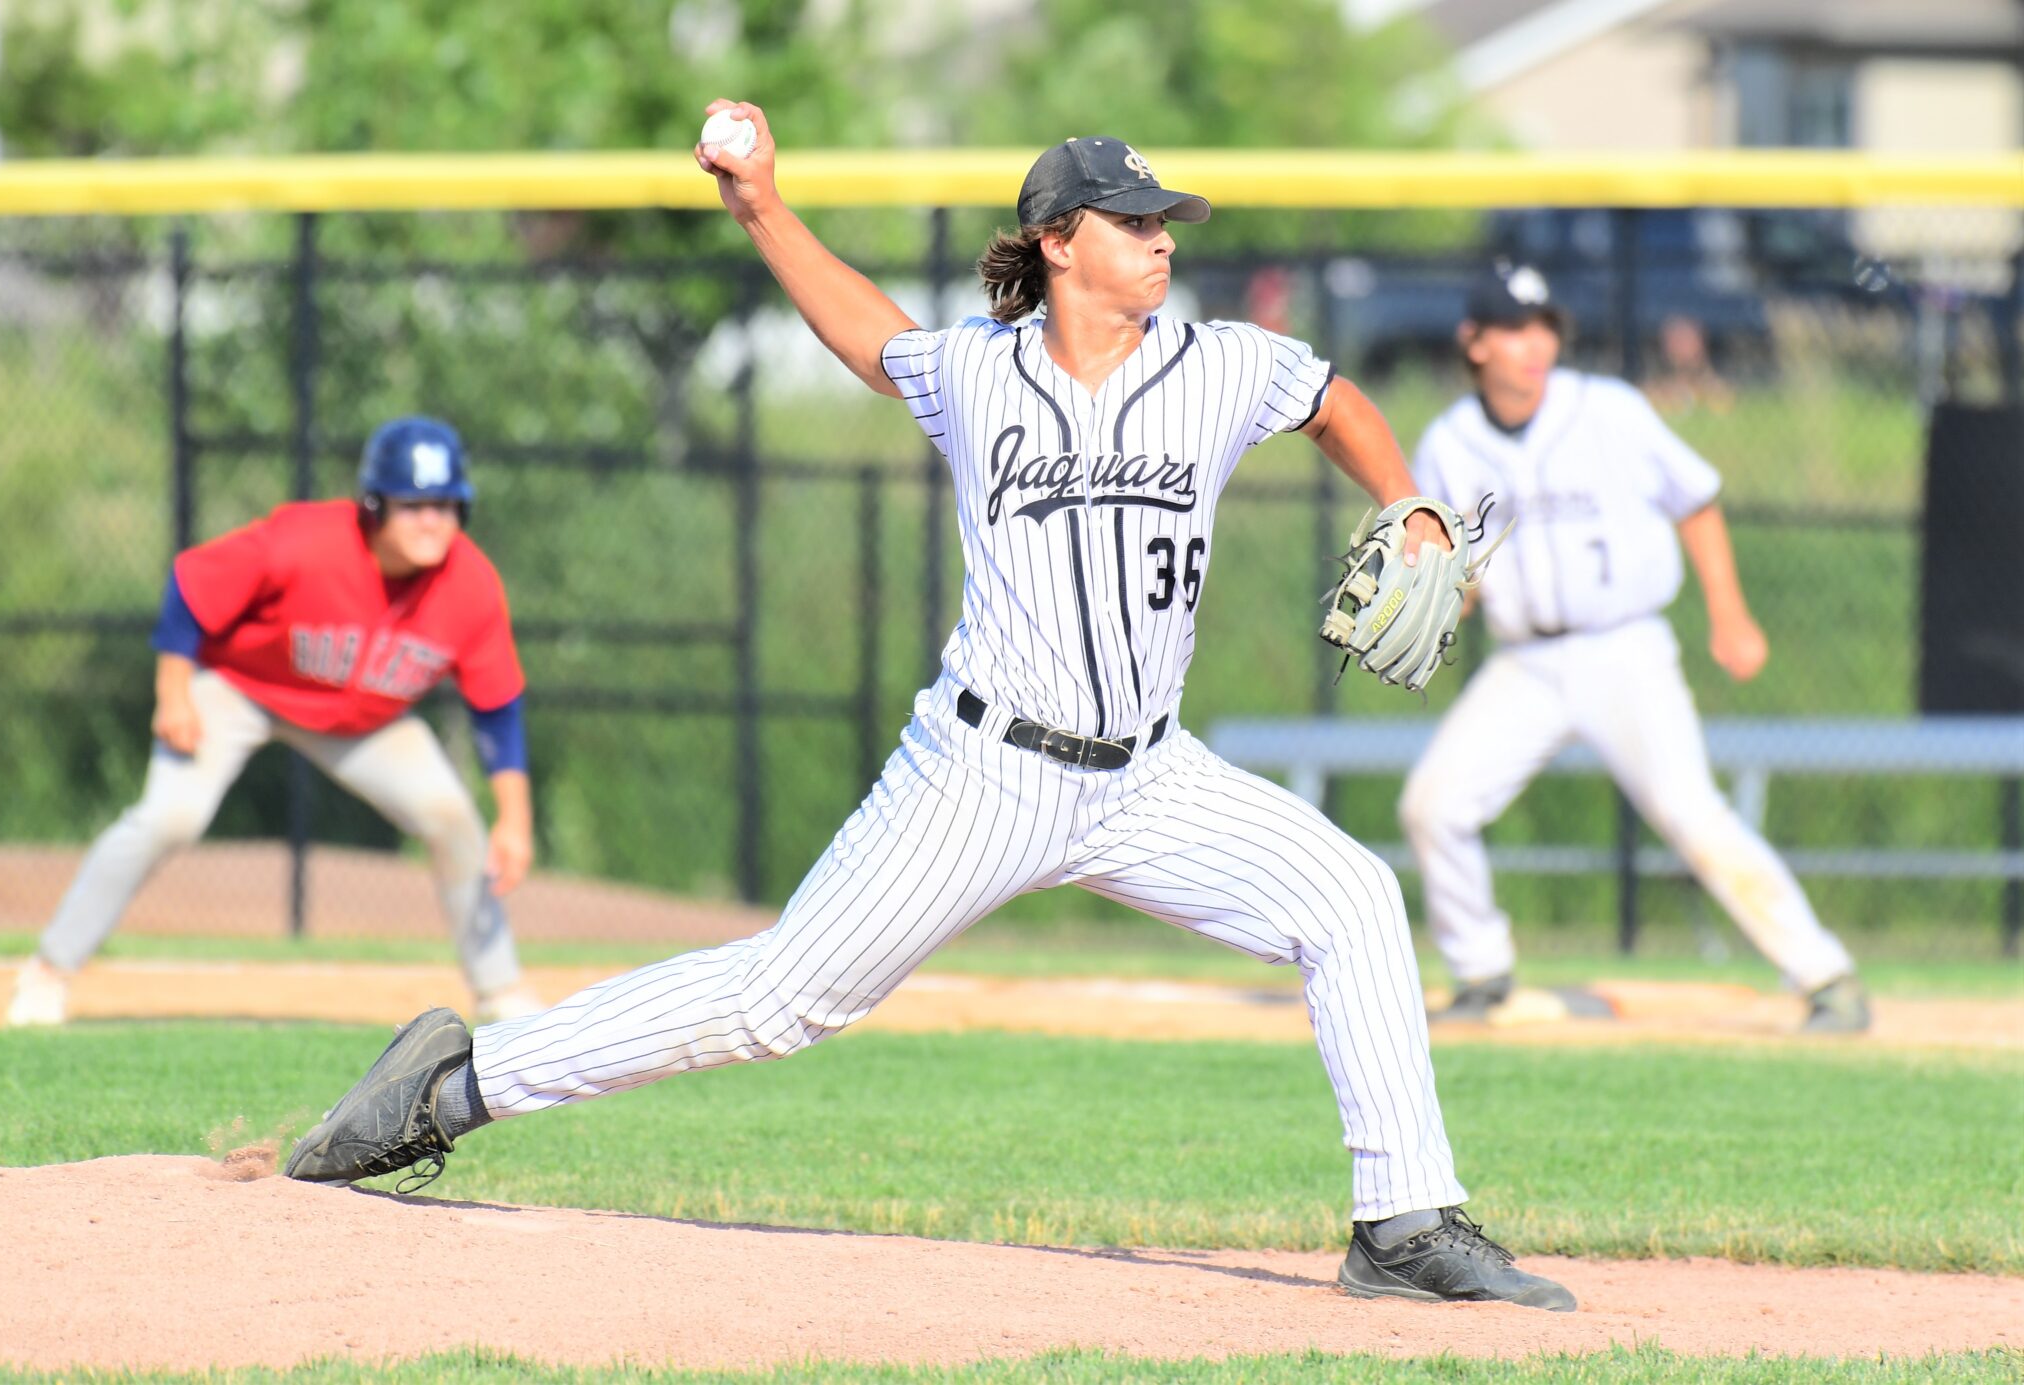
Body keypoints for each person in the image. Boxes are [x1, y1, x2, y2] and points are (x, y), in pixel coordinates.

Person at [284, 105, 1577, 1312]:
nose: (1163, 239)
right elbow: (867, 335)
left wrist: (1406, 502)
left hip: (1149, 779)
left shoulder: (1222, 364)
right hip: (982, 772)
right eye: (1134, 220)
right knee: (775, 1003)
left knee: (1351, 899)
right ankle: (453, 1088)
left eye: (1166, 220)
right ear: (1059, 242)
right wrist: (760, 205)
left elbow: (1336, 401)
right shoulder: (977, 374)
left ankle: (1402, 1222)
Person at [1397, 263, 1868, 1034]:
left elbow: (1697, 499)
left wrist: (1730, 614)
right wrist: (1432, 603)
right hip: (1526, 663)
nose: (1535, 344)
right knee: (1433, 804)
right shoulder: (1451, 441)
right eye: (1514, 329)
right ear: (1474, 342)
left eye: (1544, 327)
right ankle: (1481, 970)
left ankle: (1827, 976)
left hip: (1623, 651)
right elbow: (1456, 567)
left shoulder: (1608, 411)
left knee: (1691, 814)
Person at [5, 418, 544, 1027]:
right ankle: (48, 970)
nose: (432, 521)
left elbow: (496, 706)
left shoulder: (470, 585)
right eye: (413, 505)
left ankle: (499, 990)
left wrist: (516, 818)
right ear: (373, 505)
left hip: (363, 721)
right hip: (242, 690)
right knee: (171, 817)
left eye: (446, 505)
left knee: (453, 819)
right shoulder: (305, 542)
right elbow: (192, 585)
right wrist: (174, 692)